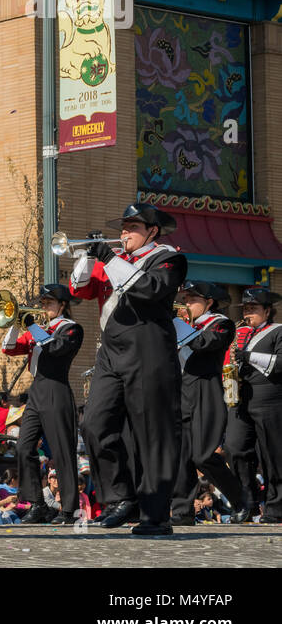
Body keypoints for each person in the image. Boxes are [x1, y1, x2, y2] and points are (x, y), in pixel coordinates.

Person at [70, 202, 187, 536]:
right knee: (94, 423)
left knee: (153, 433)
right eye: (123, 227)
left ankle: (155, 515)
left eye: (132, 227)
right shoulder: (118, 260)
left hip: (149, 348)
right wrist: (88, 257)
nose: (124, 234)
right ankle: (122, 497)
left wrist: (109, 258)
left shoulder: (168, 257)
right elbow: (79, 289)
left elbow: (149, 289)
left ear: (152, 231)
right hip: (111, 349)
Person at [0, 284, 83, 525]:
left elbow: (55, 349)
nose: (43, 307)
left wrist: (33, 326)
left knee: (61, 453)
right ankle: (37, 503)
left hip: (57, 389)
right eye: (42, 302)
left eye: (48, 303)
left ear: (62, 305)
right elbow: (8, 348)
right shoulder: (40, 330)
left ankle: (69, 510)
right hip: (36, 390)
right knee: (24, 447)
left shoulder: (71, 329)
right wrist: (17, 325)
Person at [169, 282, 249, 524]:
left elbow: (203, 343)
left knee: (203, 455)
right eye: (185, 299)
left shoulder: (220, 324)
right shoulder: (184, 325)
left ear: (209, 302)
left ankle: (240, 499)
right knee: (182, 455)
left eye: (192, 299)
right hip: (183, 389)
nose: (186, 304)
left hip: (207, 388)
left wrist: (176, 323)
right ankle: (182, 512)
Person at [225, 286, 282, 523]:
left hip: (270, 399)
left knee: (272, 455)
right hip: (241, 399)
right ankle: (246, 503)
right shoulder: (241, 333)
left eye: (253, 309)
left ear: (267, 311)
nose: (247, 314)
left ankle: (276, 508)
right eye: (245, 309)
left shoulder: (278, 331)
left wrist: (249, 356)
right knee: (234, 448)